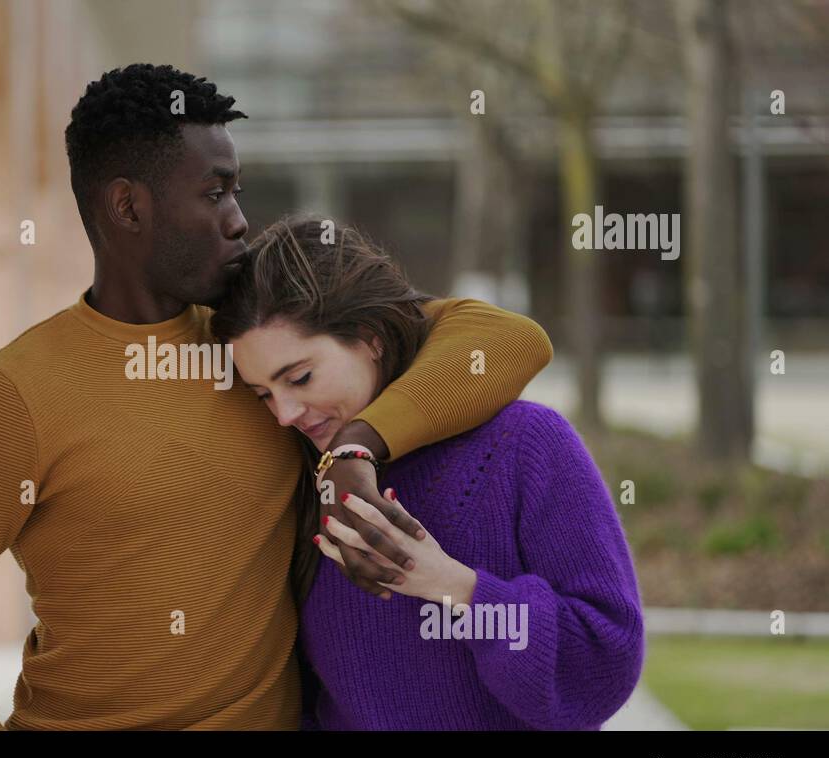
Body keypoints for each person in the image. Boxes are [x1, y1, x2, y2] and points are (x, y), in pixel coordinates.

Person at [0, 64, 554, 730]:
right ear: (127, 206)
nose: (239, 219)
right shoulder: (12, 398)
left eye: (237, 192)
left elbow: (506, 337)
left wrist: (357, 444)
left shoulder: (256, 347)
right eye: (215, 193)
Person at [211, 214, 644, 730]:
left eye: (300, 377)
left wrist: (455, 587)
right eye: (263, 393)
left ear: (370, 337)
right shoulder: (300, 471)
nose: (285, 412)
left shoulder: (525, 444)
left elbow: (603, 660)